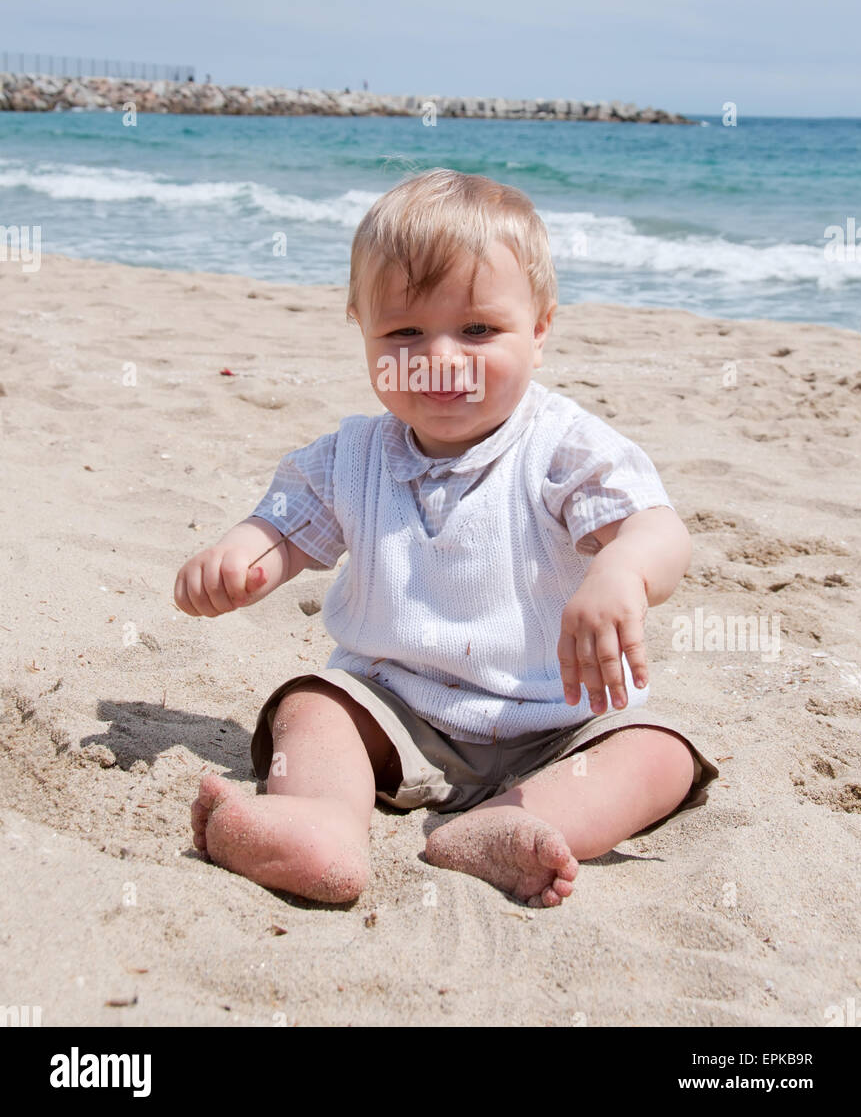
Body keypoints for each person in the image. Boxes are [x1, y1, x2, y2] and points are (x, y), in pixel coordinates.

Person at [175, 169, 718, 907]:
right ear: (361, 328)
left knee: (661, 755)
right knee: (313, 705)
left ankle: (499, 827)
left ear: (540, 329)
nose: (440, 356)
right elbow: (283, 531)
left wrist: (622, 570)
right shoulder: (351, 455)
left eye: (478, 330)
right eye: (404, 331)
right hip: (395, 710)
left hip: (554, 729)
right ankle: (321, 824)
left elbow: (657, 530)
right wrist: (241, 558)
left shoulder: (562, 447)